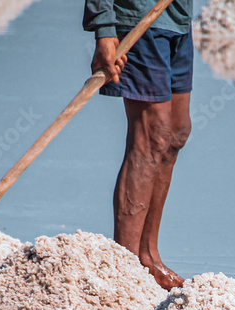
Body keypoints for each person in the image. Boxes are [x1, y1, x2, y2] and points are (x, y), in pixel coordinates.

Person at [84, 0, 193, 289]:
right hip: (138, 18)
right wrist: (104, 29)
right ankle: (125, 266)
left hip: (177, 18)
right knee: (151, 137)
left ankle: (148, 255)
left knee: (175, 135)